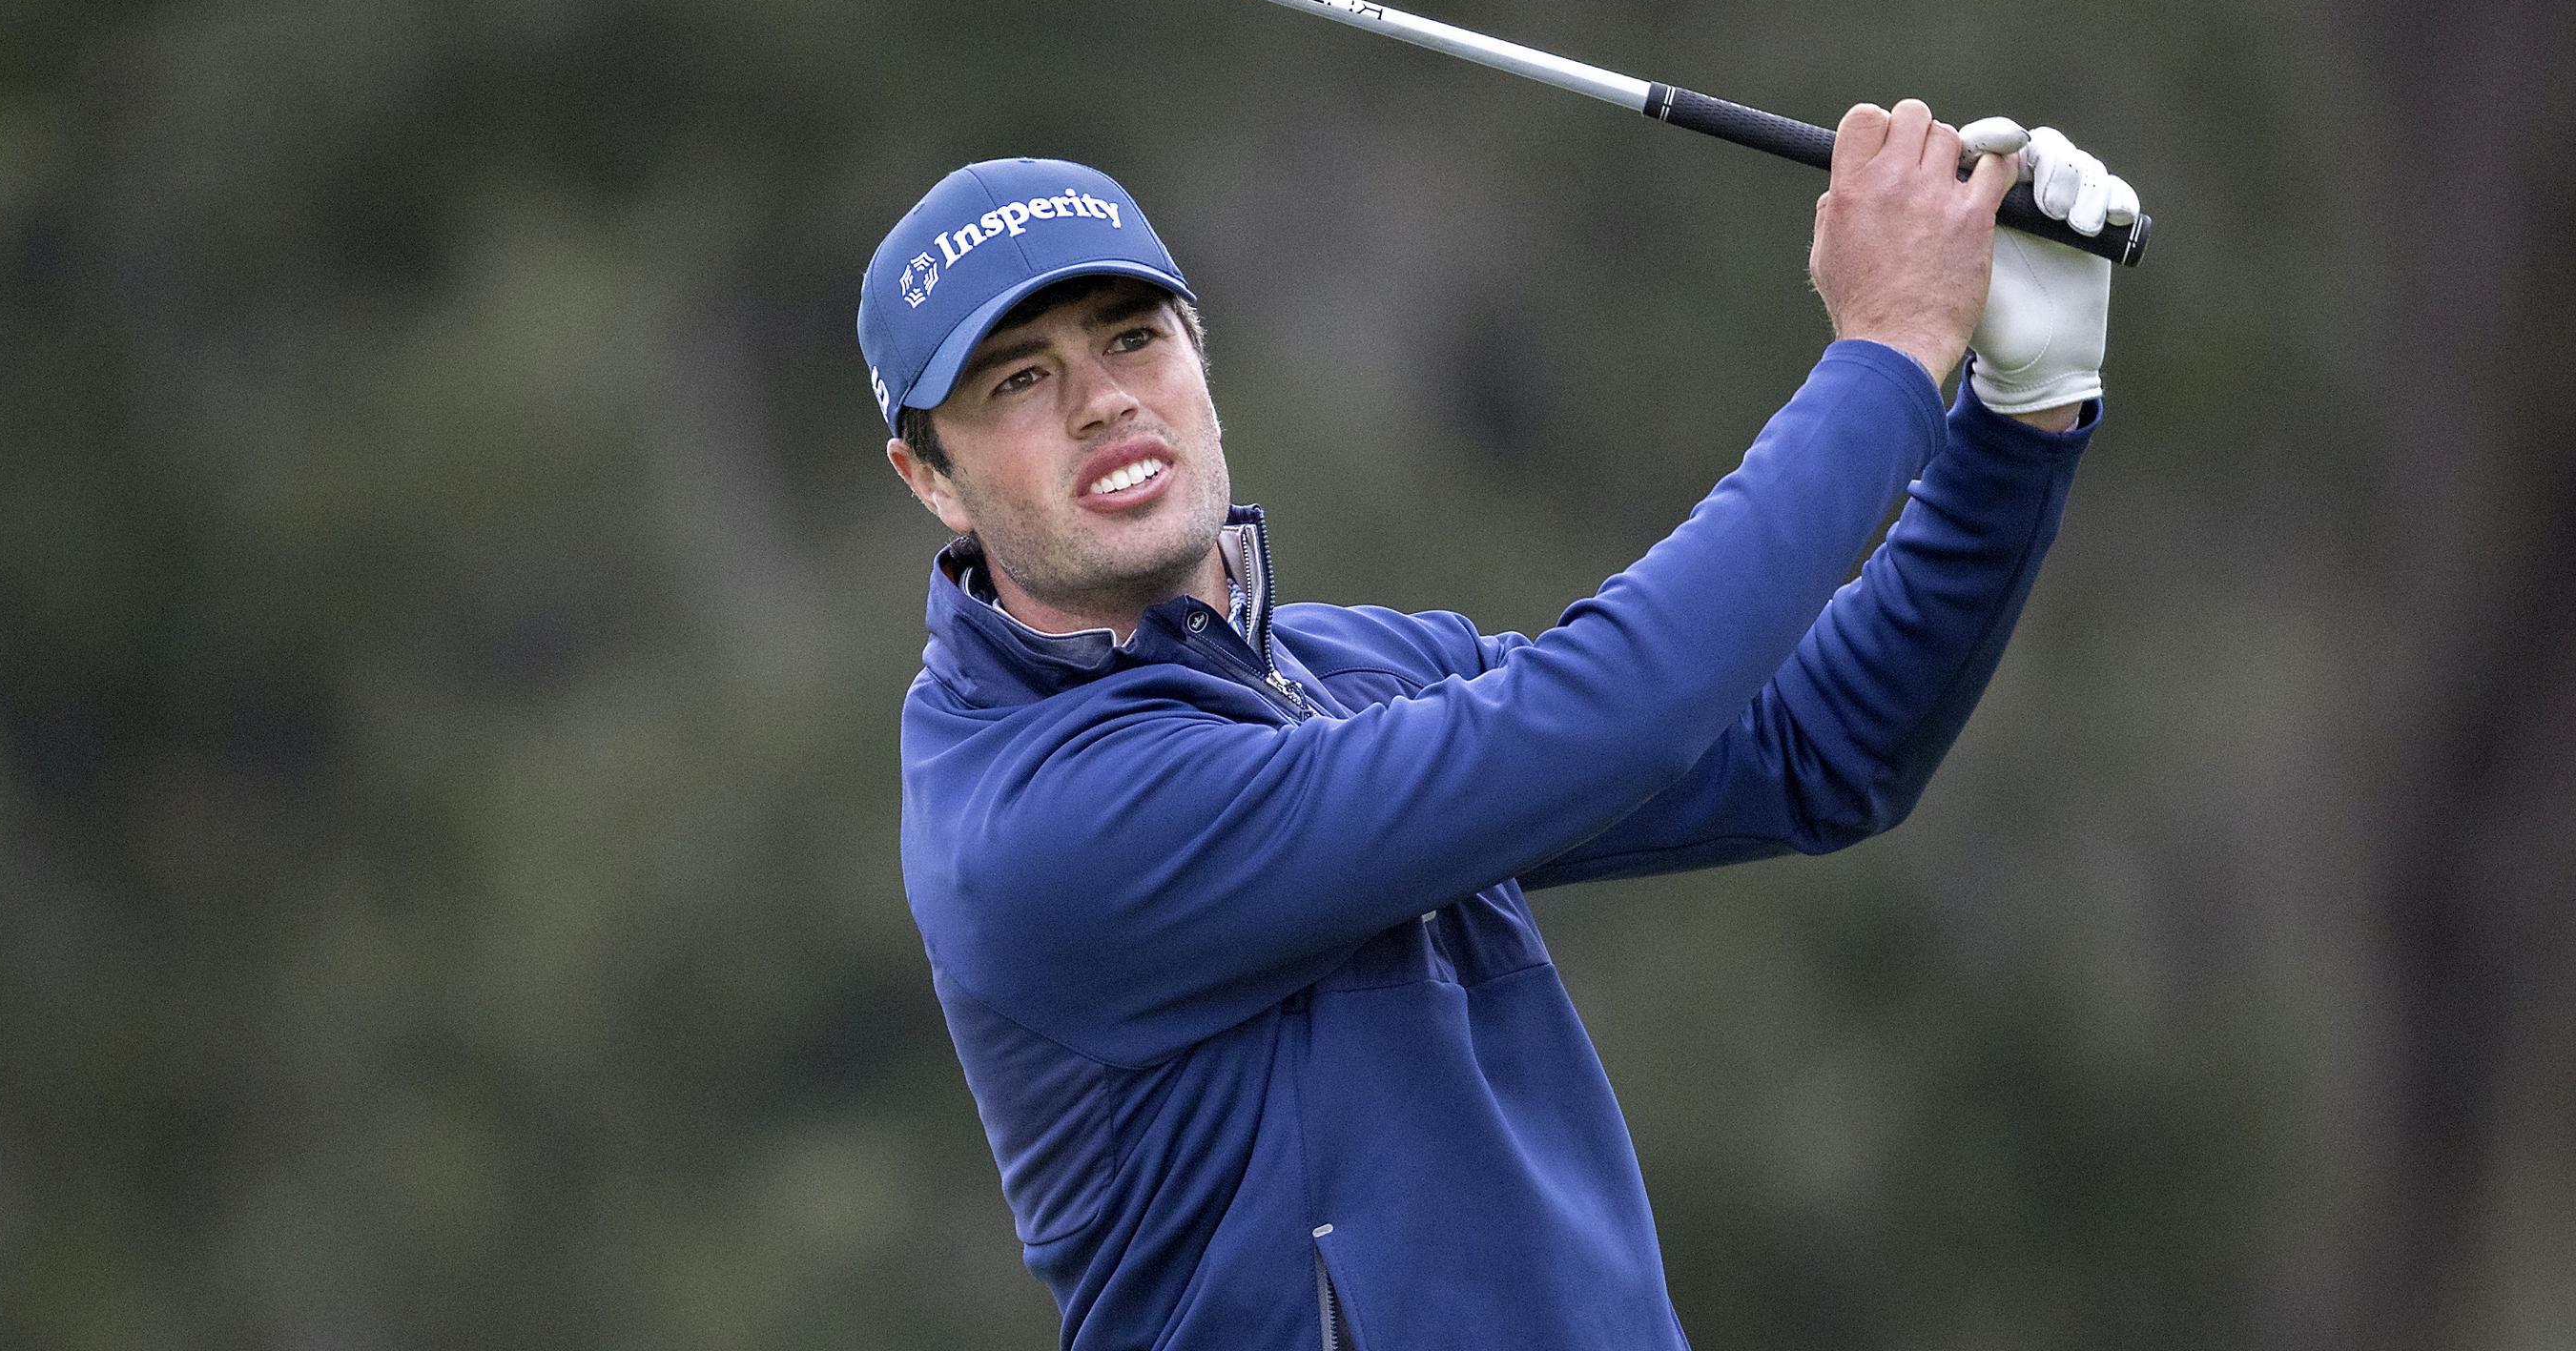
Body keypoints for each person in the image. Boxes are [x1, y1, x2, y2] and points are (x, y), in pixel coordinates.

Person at [855, 102, 2139, 1349]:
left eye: (1134, 339)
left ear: (1202, 363)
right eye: (1021, 379)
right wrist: (1890, 348)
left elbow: (1819, 750)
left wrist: (2020, 411)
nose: (1100, 401)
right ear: (931, 479)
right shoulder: (1040, 821)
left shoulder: (1356, 666)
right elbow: (1616, 717)